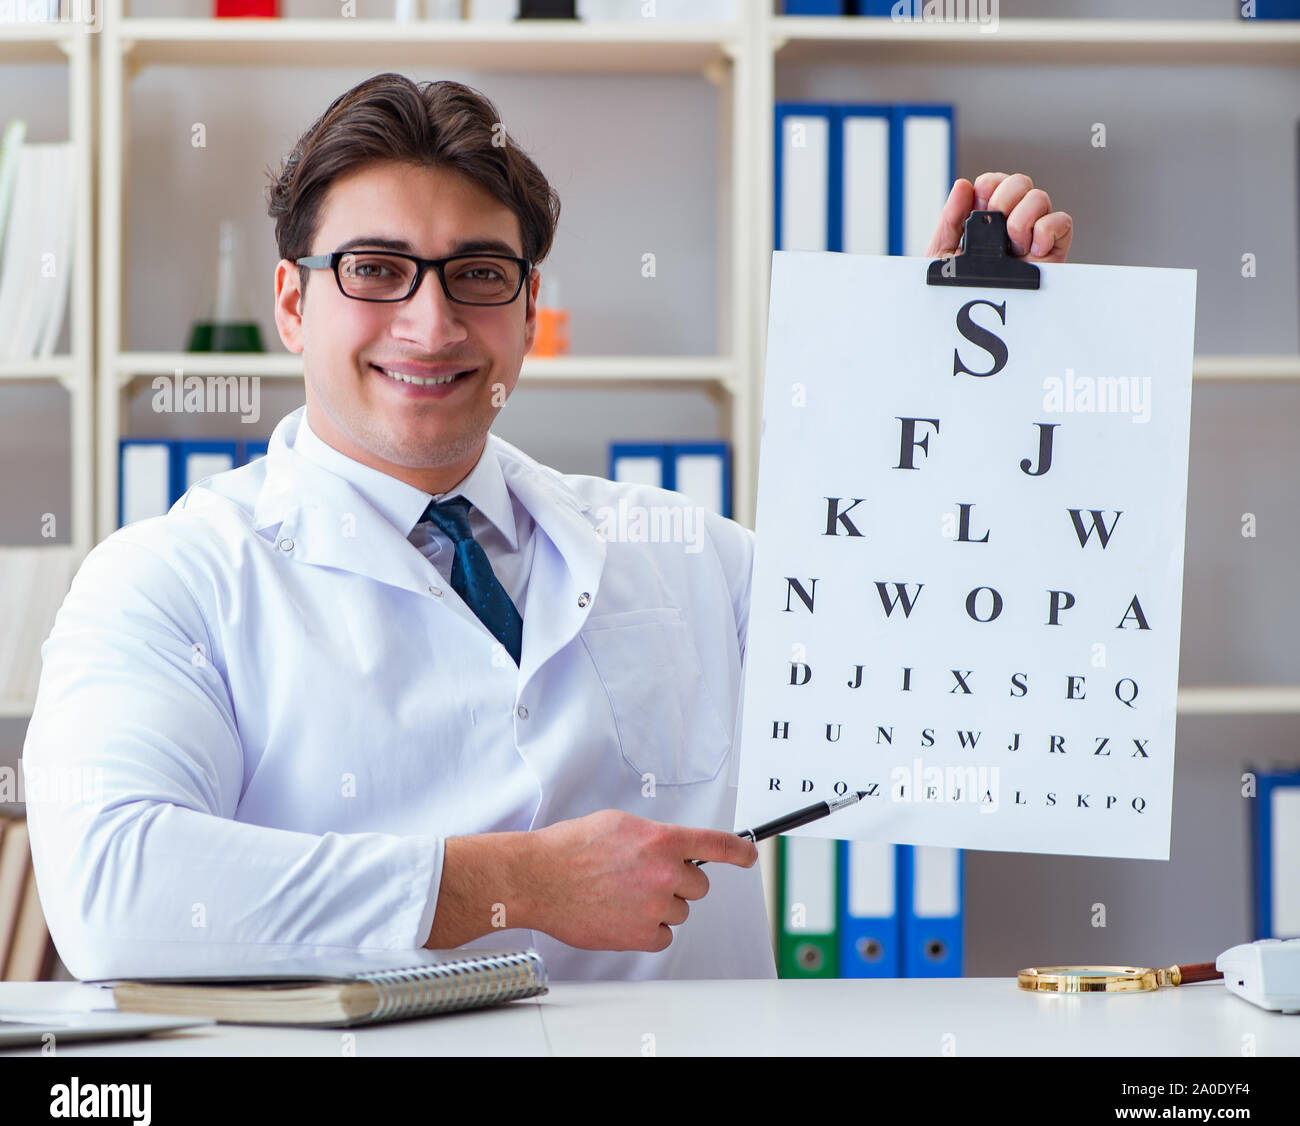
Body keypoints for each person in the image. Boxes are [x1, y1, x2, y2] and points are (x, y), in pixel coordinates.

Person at [21, 74, 1073, 983]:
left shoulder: (685, 551)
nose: (430, 325)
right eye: (374, 270)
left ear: (528, 313)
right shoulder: (168, 579)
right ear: (292, 303)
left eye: (479, 275)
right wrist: (509, 885)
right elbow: (116, 890)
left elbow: (970, 735)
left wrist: (968, 392)